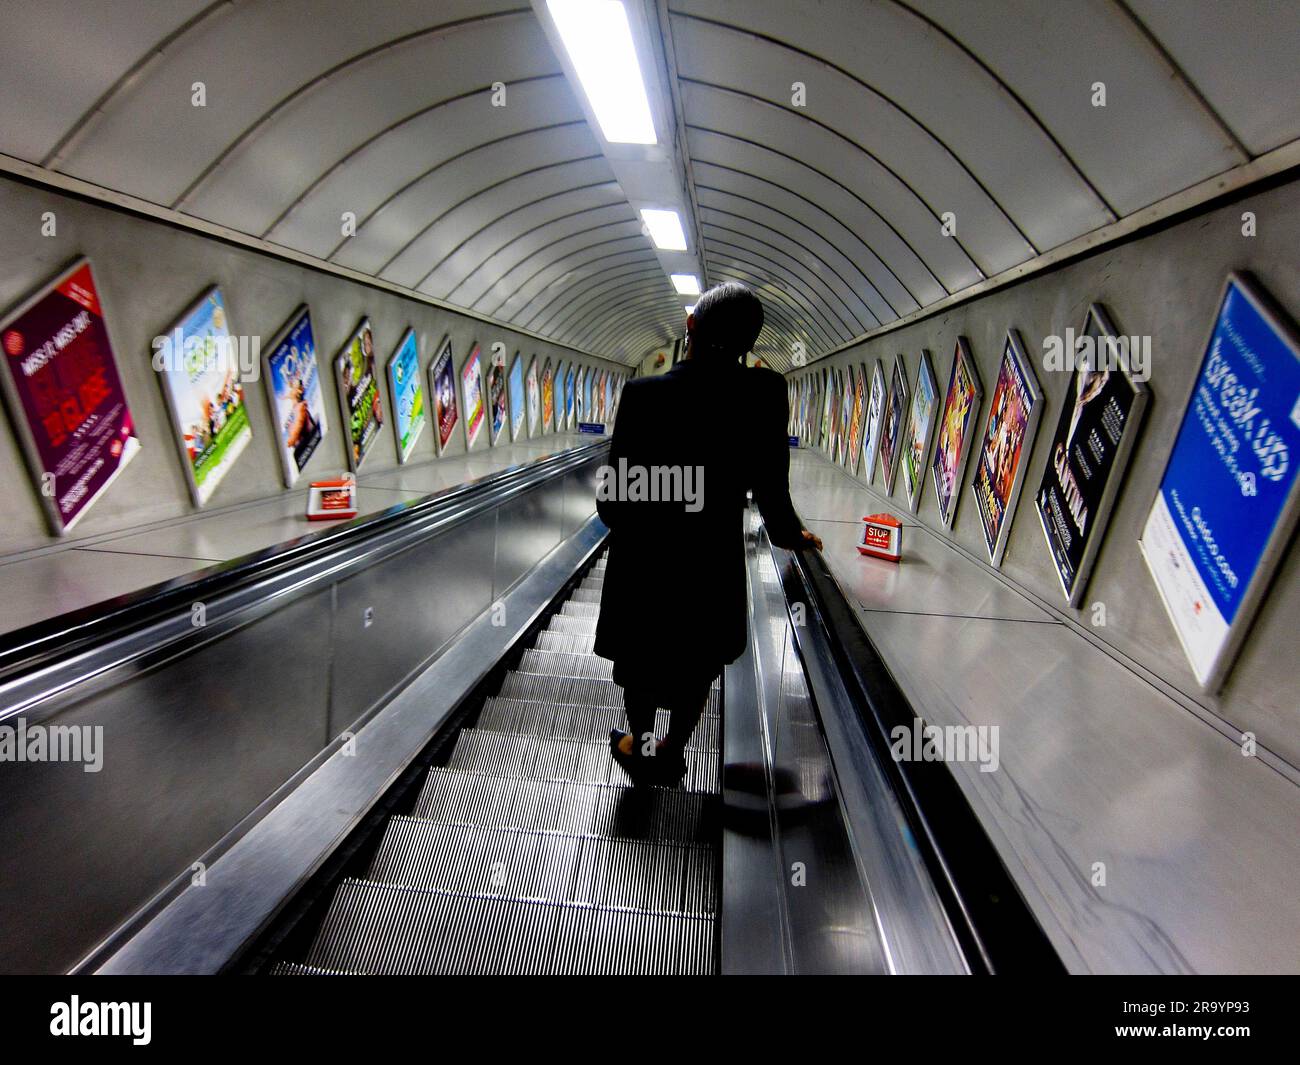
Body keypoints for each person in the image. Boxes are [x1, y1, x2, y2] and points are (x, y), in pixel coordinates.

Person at [593, 281, 823, 787]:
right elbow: (771, 484)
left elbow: (612, 502)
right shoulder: (765, 394)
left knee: (642, 660)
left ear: (689, 328)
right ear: (750, 343)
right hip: (711, 559)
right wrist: (791, 534)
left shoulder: (643, 393)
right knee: (697, 661)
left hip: (645, 559)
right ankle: (674, 752)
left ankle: (642, 745)